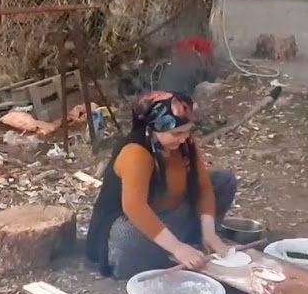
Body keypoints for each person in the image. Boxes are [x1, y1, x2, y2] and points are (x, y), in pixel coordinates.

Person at [85, 91, 238, 279]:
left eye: (187, 131)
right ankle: (175, 248)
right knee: (126, 236)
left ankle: (198, 241)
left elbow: (203, 187)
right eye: (177, 133)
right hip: (134, 226)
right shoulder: (136, 153)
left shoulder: (185, 143)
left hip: (173, 214)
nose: (184, 138)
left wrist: (210, 232)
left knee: (224, 181)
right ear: (155, 128)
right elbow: (135, 208)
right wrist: (177, 247)